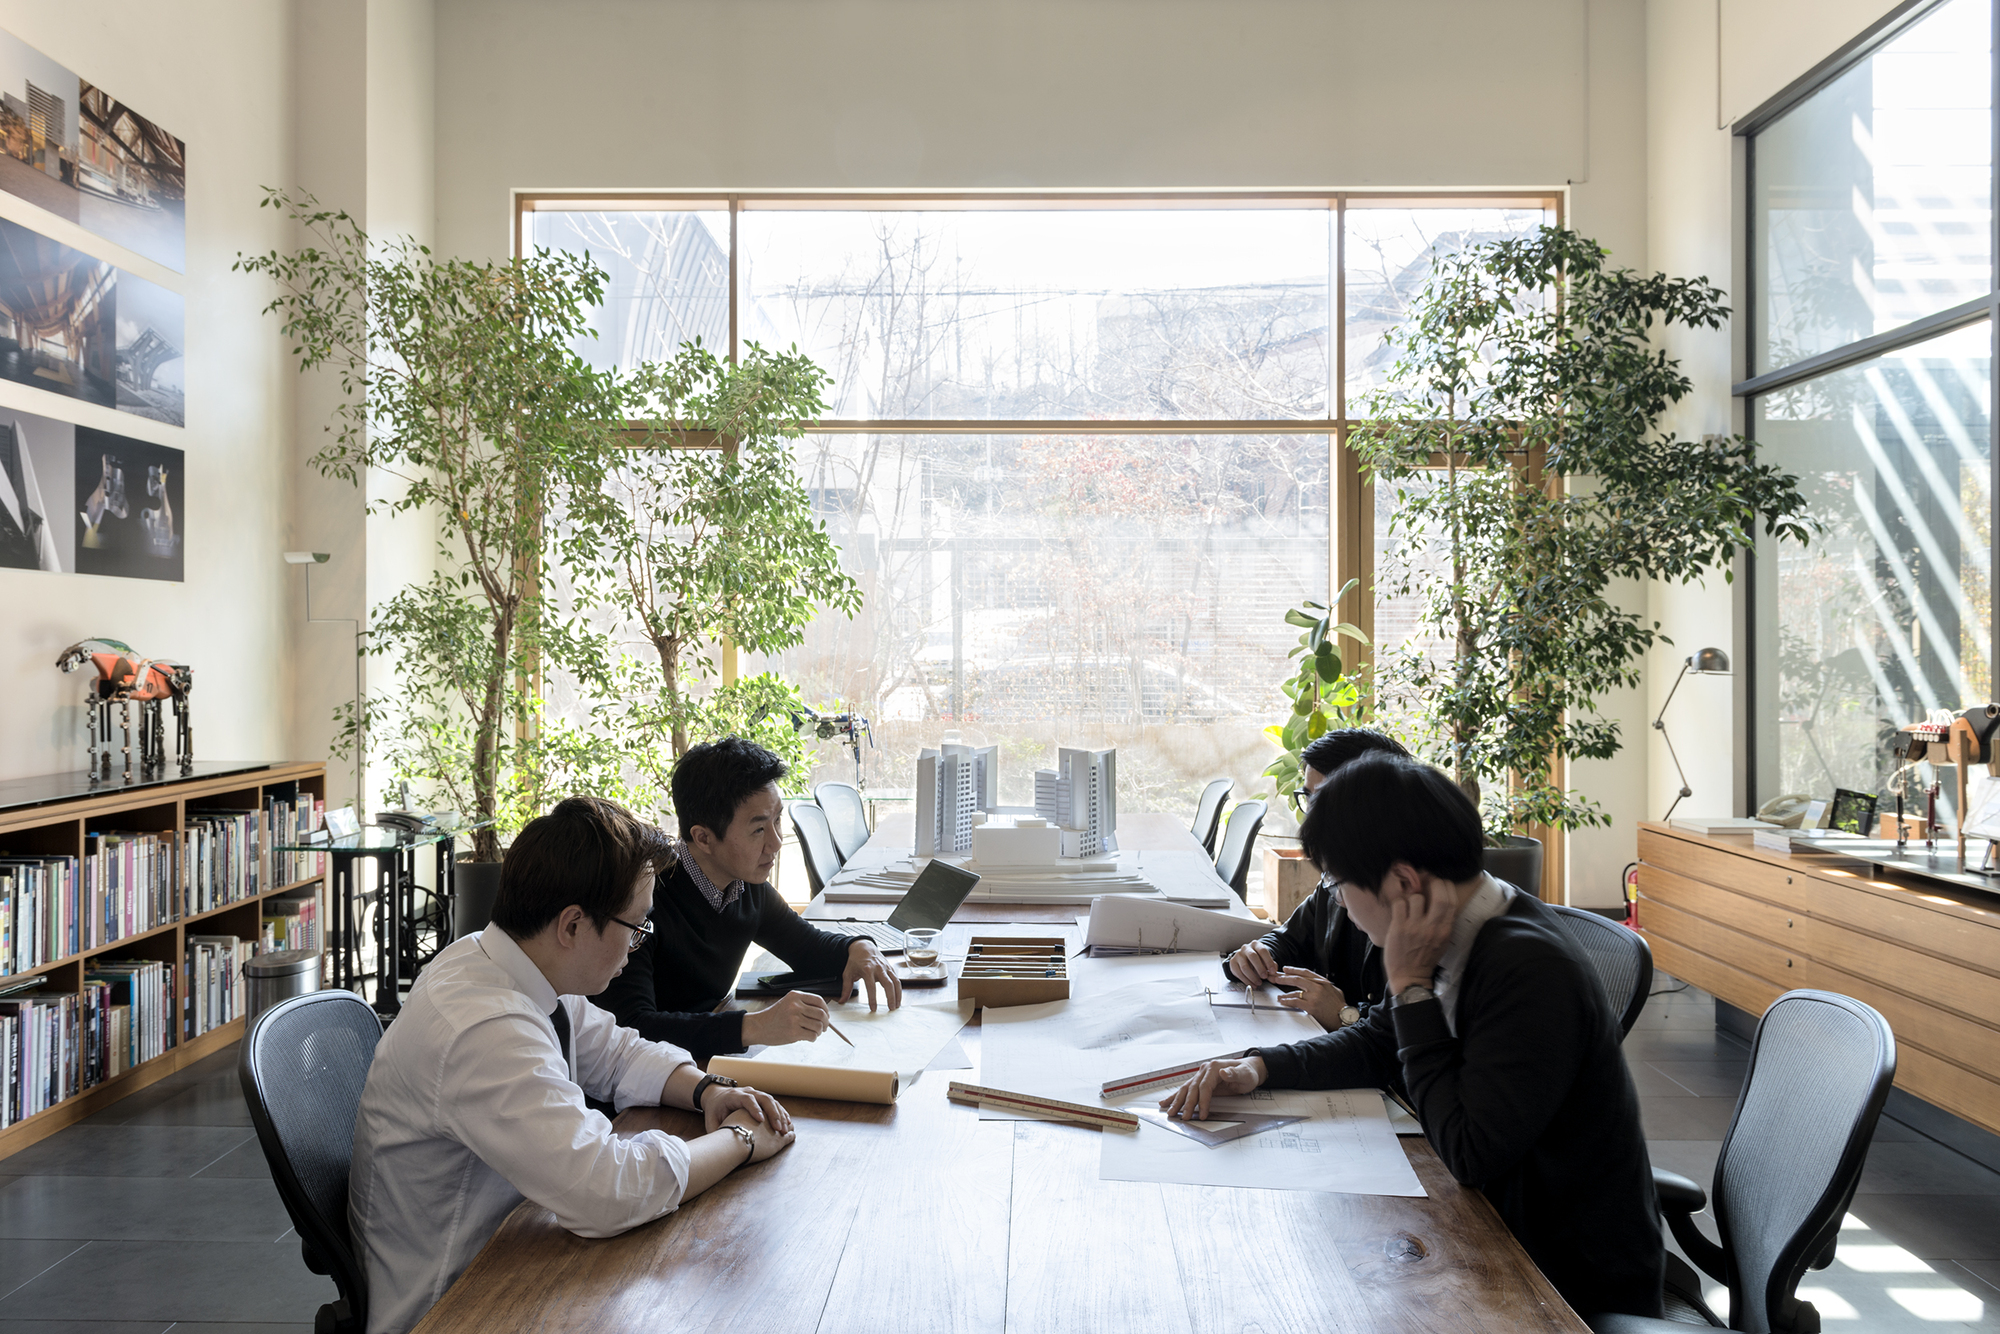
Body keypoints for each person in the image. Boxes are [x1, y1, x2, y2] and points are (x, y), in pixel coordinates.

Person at [1164, 753, 1663, 1320]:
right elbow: (1378, 1041)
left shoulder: (1526, 970)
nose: (1342, 907)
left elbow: (1470, 1153)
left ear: (1401, 881)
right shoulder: (1466, 920)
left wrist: (1407, 986)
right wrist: (1256, 1069)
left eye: (1339, 884)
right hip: (1498, 1227)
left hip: (1560, 1276)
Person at [350, 796, 796, 1334]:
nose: (637, 945)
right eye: (636, 926)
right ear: (572, 926)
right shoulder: (483, 1028)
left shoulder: (507, 961)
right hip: (454, 1302)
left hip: (518, 1244)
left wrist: (706, 1091)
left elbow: (613, 1050)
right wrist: (741, 1141)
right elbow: (606, 1192)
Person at [593, 736, 902, 1060]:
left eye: (778, 820)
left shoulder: (744, 886)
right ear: (704, 838)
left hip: (701, 1061)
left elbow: (805, 946)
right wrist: (752, 1027)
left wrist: (857, 948)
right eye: (758, 830)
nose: (777, 842)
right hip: (637, 1086)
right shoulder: (642, 902)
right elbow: (632, 1029)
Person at [1226, 728, 1407, 1028]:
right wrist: (1258, 955)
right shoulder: (1335, 874)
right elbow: (1290, 938)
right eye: (1308, 798)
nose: (1311, 817)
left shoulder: (1409, 895)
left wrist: (1346, 1015)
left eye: (1322, 801)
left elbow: (1400, 1035)